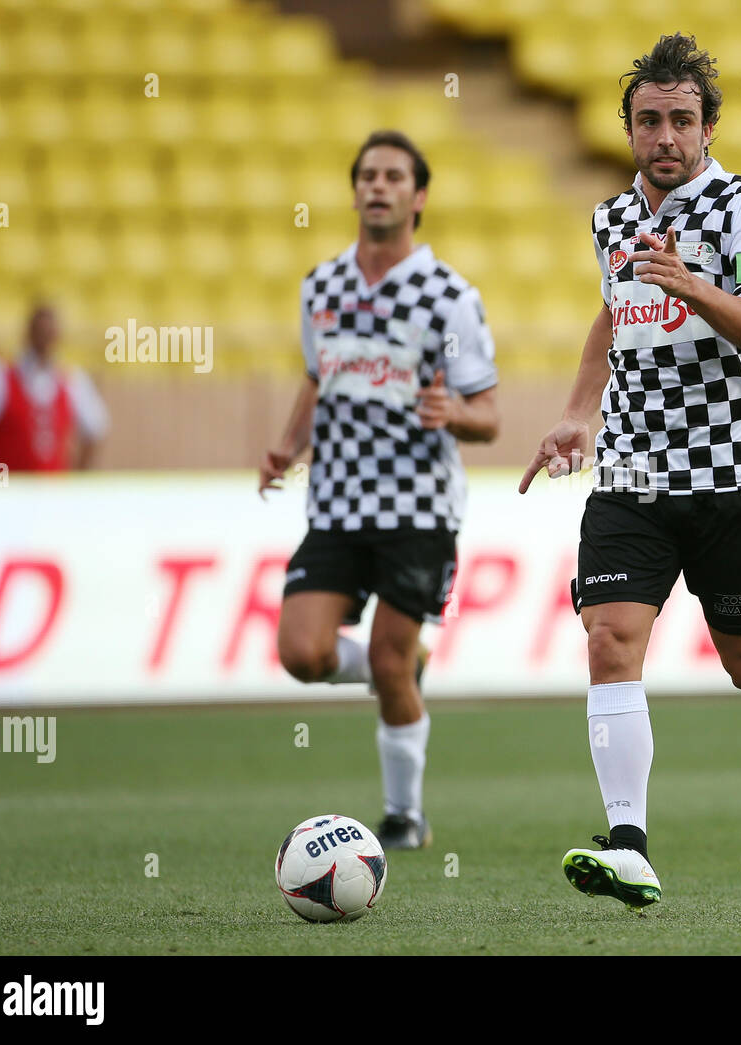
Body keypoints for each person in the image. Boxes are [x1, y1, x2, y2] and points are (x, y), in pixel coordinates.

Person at [518, 33, 741, 910]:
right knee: (608, 637)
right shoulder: (610, 220)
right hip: (632, 474)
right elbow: (611, 317)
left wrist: (689, 286)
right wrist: (576, 412)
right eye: (648, 121)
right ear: (629, 129)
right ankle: (628, 842)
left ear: (709, 127)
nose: (664, 136)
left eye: (681, 120)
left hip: (732, 475)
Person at [261, 130, 499, 850]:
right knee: (301, 652)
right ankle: (402, 666)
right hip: (334, 504)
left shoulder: (450, 297)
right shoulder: (321, 285)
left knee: (391, 660)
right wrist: (288, 443)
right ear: (355, 189)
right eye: (368, 174)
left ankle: (404, 817)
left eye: (394, 176)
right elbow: (315, 375)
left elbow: (487, 414)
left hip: (416, 508)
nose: (378, 186)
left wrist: (452, 412)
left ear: (417, 196)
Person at [0, 304, 108, 472]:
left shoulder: (72, 380)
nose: (44, 340)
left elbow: (96, 428)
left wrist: (77, 478)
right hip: (7, 491)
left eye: (49, 333)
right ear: (29, 334)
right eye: (40, 332)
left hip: (54, 492)